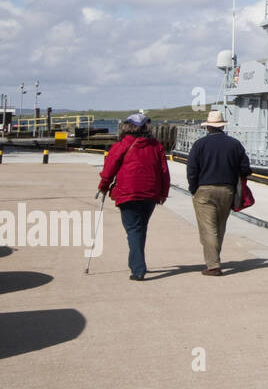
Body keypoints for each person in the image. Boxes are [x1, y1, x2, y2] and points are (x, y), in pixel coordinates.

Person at [97, 112, 171, 281]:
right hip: (150, 194)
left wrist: (103, 186)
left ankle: (138, 268)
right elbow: (164, 173)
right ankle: (136, 263)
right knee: (140, 229)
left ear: (127, 126)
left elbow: (109, 169)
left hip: (128, 193)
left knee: (133, 230)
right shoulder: (156, 146)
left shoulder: (121, 145)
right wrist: (163, 193)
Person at [186, 109, 251, 276]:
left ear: (208, 127)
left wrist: (193, 188)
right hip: (227, 190)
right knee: (219, 227)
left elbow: (192, 169)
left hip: (205, 190)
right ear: (222, 126)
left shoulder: (200, 144)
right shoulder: (234, 144)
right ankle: (214, 259)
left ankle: (213, 265)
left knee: (208, 229)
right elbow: (245, 168)